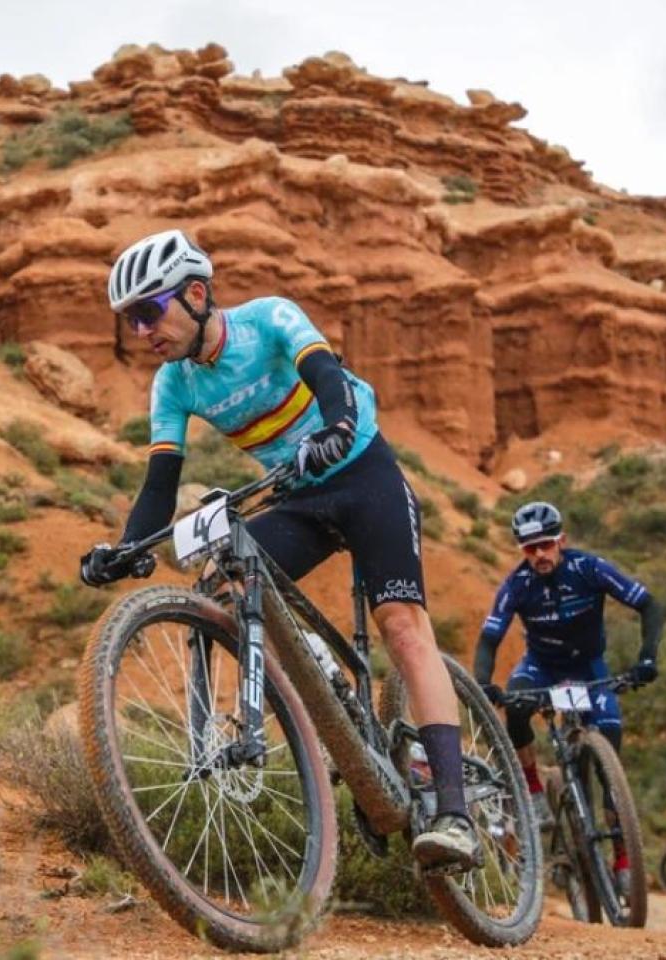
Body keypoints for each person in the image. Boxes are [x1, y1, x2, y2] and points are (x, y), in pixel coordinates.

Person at [79, 228, 479, 871]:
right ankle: (321, 691)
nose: (142, 330)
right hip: (298, 495)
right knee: (223, 579)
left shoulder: (267, 319)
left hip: (363, 476)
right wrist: (125, 548)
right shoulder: (173, 384)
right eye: (131, 320)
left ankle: (455, 814)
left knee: (403, 628)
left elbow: (326, 377)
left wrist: (340, 426)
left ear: (196, 294)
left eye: (149, 311)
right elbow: (159, 485)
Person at [474, 501, 663, 891]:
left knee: (609, 757)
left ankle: (623, 859)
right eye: (530, 548)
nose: (539, 555)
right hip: (541, 668)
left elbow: (648, 604)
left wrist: (646, 659)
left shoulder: (588, 568)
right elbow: (490, 638)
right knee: (517, 705)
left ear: (561, 540)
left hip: (589, 669)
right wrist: (483, 682)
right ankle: (533, 788)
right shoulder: (517, 585)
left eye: (545, 544)